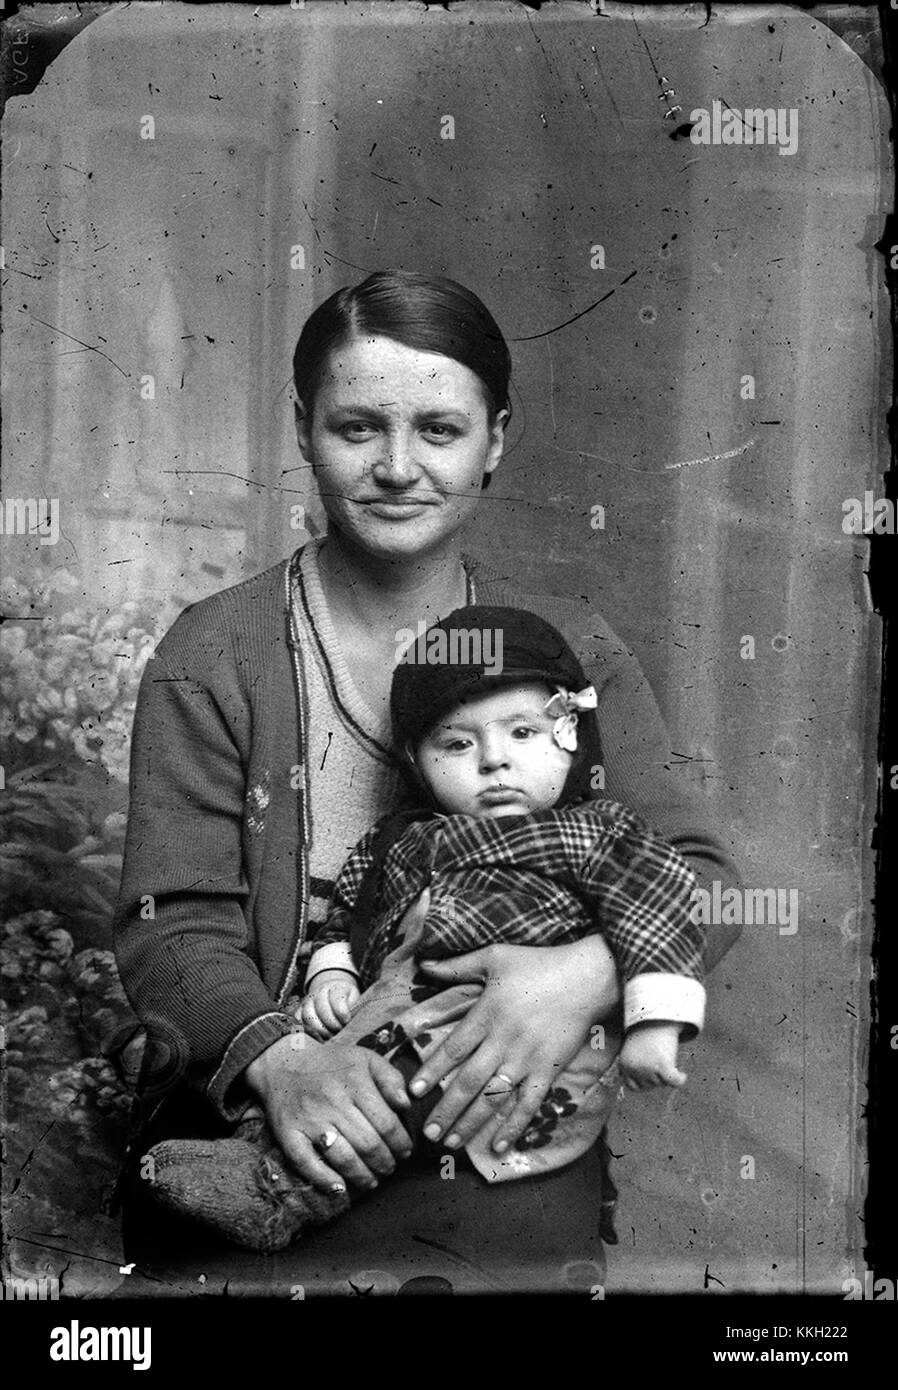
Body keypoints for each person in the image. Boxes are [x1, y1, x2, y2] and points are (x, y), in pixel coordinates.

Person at [113, 269, 741, 1291]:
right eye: (357, 427)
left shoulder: (572, 649)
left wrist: (577, 977)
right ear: (303, 428)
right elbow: (169, 921)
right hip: (277, 1135)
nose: (398, 467)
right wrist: (286, 1063)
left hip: (504, 1158)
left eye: (441, 431)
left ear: (496, 437)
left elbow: (700, 870)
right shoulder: (214, 653)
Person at [142, 605, 708, 1253]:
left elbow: (663, 902)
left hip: (513, 1042)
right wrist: (332, 967)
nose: (494, 761)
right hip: (400, 1006)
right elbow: (351, 906)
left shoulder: (596, 832)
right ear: (416, 759)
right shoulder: (404, 839)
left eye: (523, 732)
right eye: (457, 744)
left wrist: (654, 1025)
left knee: (395, 1095)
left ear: (572, 734)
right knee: (322, 1044)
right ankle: (251, 1146)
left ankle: (279, 1192)